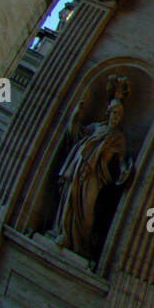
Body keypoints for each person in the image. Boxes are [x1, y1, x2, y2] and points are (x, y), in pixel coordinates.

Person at [52, 77, 135, 262]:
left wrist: (126, 170)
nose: (116, 117)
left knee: (88, 211)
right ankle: (64, 234)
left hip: (94, 178)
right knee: (69, 201)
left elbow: (122, 163)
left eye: (119, 115)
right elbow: (78, 133)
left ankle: (82, 245)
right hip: (77, 169)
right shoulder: (97, 127)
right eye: (114, 113)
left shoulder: (118, 137)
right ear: (108, 113)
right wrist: (75, 116)